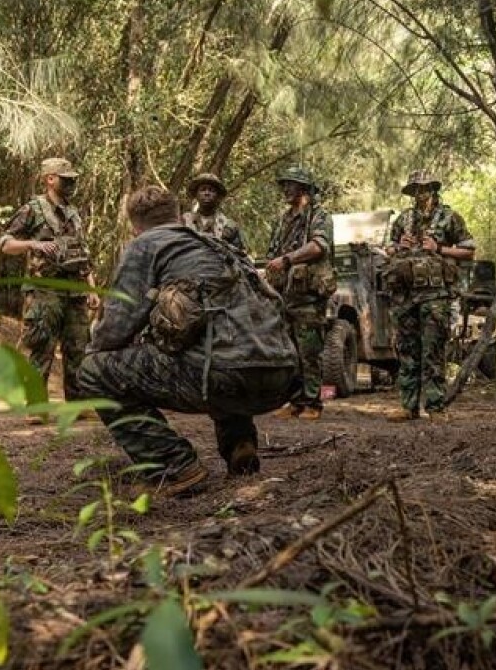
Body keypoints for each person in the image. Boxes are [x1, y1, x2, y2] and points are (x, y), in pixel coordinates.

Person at [77, 187, 297, 496]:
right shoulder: (220, 246)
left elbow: (117, 326)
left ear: (134, 226)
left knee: (92, 371)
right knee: (220, 341)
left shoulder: (146, 245)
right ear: (180, 217)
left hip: (223, 378)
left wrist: (95, 353)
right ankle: (239, 443)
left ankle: (174, 466)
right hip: (281, 377)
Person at [0, 158, 97, 403]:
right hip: (44, 291)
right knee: (42, 347)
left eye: (73, 179)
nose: (71, 183)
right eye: (66, 179)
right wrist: (33, 244)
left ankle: (78, 402)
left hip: (75, 291)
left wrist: (92, 289)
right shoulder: (33, 209)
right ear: (50, 179)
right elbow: (4, 243)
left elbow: (83, 254)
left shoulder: (74, 213)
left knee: (79, 348)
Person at [384, 172, 475, 421]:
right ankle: (408, 406)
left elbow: (469, 250)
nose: (420, 194)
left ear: (433, 190)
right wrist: (398, 247)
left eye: (424, 189)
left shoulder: (449, 218)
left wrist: (439, 248)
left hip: (436, 296)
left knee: (433, 350)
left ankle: (436, 407)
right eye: (415, 190)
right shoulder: (404, 219)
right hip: (406, 296)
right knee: (407, 350)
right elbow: (388, 249)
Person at [264, 166, 335, 421]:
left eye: (290, 185)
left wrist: (286, 260)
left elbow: (318, 246)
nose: (285, 189)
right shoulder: (284, 219)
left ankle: (313, 403)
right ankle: (294, 401)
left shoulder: (319, 216)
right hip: (285, 295)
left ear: (303, 189)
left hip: (309, 297)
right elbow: (272, 253)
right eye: (284, 184)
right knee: (289, 351)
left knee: (309, 351)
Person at [182, 173, 246, 253]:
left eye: (211, 190)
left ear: (218, 196)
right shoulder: (184, 221)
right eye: (203, 189)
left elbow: (240, 256)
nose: (207, 193)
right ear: (196, 194)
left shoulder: (229, 226)